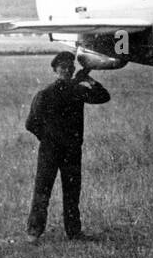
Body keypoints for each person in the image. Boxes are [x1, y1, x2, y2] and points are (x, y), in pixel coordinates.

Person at [24, 51, 111, 243]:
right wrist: (48, 139)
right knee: (45, 191)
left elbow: (103, 96)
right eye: (63, 67)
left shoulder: (75, 90)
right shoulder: (48, 94)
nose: (67, 70)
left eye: (70, 68)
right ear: (55, 70)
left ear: (73, 70)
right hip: (56, 149)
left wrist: (87, 78)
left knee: (67, 192)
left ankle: (64, 232)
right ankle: (37, 233)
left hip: (64, 150)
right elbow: (31, 123)